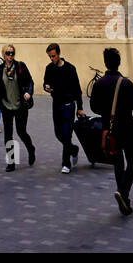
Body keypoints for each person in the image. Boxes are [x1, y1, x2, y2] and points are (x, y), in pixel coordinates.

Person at [89, 47, 133, 215]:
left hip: (110, 130)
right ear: (118, 63)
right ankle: (123, 193)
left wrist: (107, 112)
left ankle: (123, 197)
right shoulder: (126, 83)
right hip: (127, 129)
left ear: (106, 63)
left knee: (118, 164)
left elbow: (93, 106)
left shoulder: (99, 84)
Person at [42, 43, 82, 173]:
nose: (51, 59)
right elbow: (45, 82)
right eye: (49, 56)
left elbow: (77, 89)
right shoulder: (49, 68)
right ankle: (74, 150)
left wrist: (80, 108)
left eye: (53, 56)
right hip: (56, 105)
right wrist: (46, 87)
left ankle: (66, 164)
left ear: (59, 54)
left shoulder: (70, 68)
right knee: (58, 134)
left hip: (69, 106)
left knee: (66, 134)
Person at [0, 45, 36, 171]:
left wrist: (29, 93)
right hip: (6, 106)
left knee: (21, 131)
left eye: (12, 53)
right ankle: (11, 162)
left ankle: (31, 148)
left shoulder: (20, 66)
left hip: (20, 106)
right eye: (8, 53)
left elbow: (30, 81)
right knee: (8, 135)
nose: (10, 56)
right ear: (3, 54)